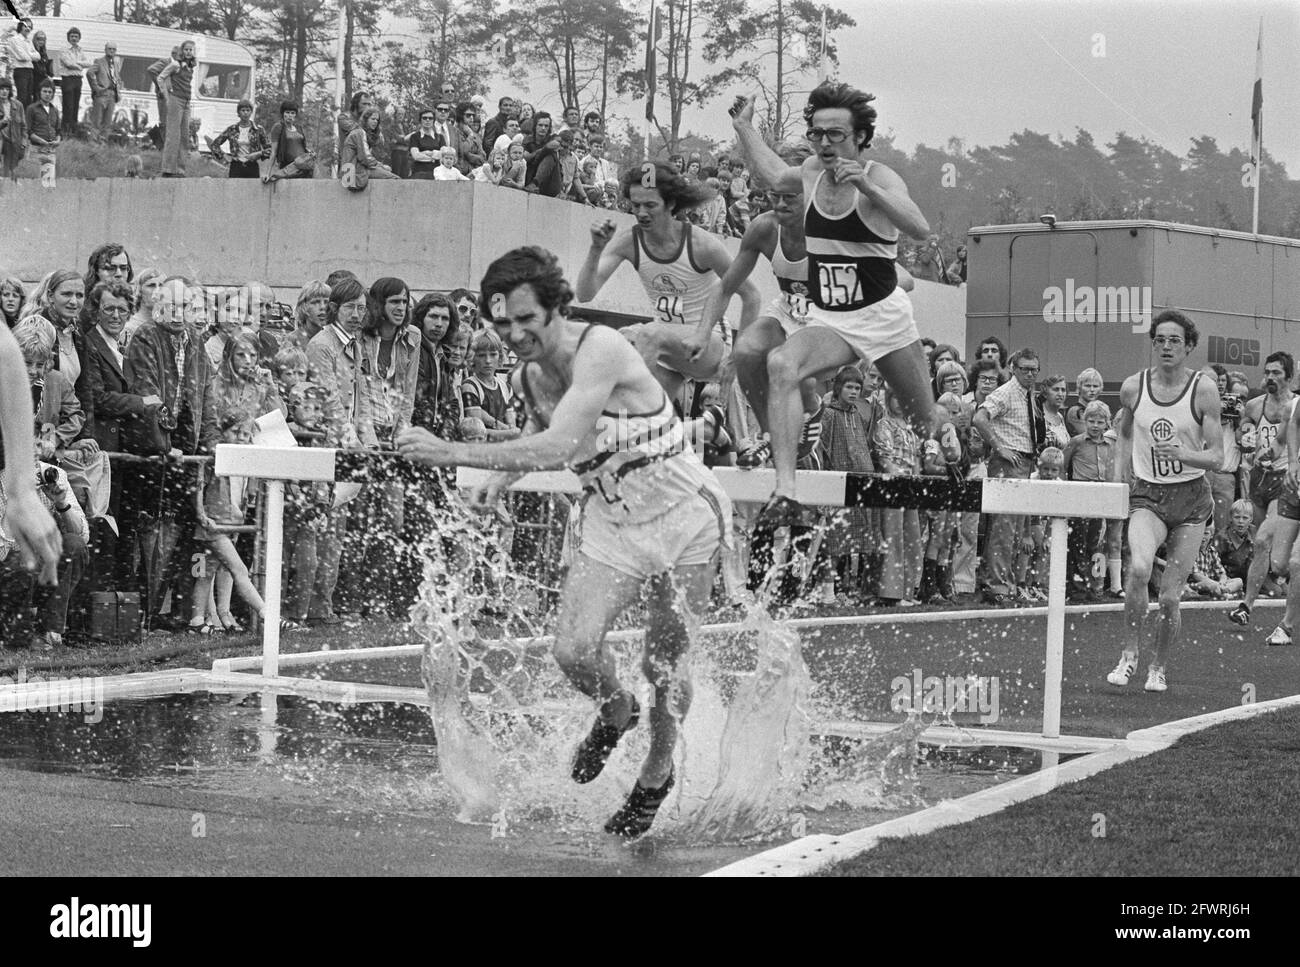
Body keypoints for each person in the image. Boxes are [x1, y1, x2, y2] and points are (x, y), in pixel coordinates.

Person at [397, 246, 732, 838]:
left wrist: (453, 453)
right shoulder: (528, 375)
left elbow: (557, 445)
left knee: (664, 662)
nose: (515, 334)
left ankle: (656, 772)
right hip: (612, 521)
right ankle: (615, 709)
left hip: (684, 518)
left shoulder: (598, 347)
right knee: (573, 650)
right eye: (503, 324)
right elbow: (536, 427)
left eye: (527, 319)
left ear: (556, 307)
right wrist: (499, 480)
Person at [728, 85, 946, 526]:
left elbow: (920, 228)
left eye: (835, 135)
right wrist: (744, 127)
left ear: (860, 137)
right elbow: (772, 174)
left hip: (884, 318)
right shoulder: (808, 172)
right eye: (816, 134)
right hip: (832, 319)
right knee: (782, 364)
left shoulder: (880, 176)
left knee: (925, 423)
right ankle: (786, 489)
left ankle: (943, 435)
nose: (824, 143)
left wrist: (865, 185)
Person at [576, 161, 760, 411]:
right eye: (635, 205)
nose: (641, 213)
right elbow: (585, 294)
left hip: (709, 343)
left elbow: (751, 296)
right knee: (644, 419)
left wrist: (739, 358)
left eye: (650, 205)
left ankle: (611, 409)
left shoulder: (700, 244)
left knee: (647, 334)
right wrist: (595, 249)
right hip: (666, 351)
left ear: (671, 204)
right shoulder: (630, 241)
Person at [1107, 310, 1223, 693]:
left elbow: (1218, 457)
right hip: (1148, 494)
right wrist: (1117, 479)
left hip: (1191, 500)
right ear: (1152, 344)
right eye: (1160, 340)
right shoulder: (1133, 388)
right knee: (1139, 569)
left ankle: (1158, 667)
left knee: (1171, 597)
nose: (1167, 346)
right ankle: (1128, 655)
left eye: (1175, 340)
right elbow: (1124, 433)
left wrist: (1183, 454)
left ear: (1188, 346)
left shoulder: (1203, 390)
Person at [1227, 352, 1298, 629]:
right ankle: (1247, 606)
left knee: (1264, 540)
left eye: (1277, 373)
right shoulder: (1255, 406)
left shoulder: (1295, 407)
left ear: (1288, 377)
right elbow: (1243, 437)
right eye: (1267, 372)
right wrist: (1245, 439)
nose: (1270, 377)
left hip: (1286, 482)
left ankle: (1255, 601)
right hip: (1259, 478)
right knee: (1261, 547)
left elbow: (1283, 442)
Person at [157, 40, 197, 176]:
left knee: (185, 136)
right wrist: (167, 97)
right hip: (176, 101)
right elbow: (160, 78)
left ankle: (181, 169)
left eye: (191, 50)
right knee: (173, 135)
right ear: (182, 51)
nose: (188, 52)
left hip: (186, 102)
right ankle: (167, 169)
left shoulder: (191, 66)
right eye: (186, 49)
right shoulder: (175, 64)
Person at [208, 100, 270, 179]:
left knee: (252, 190)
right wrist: (224, 156)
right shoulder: (232, 129)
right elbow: (214, 145)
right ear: (238, 113)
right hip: (236, 166)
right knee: (234, 190)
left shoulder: (258, 129)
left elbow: (269, 149)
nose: (245, 113)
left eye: (248, 110)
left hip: (252, 166)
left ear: (251, 112)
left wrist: (259, 153)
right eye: (243, 110)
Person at [55, 27, 93, 135]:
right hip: (67, 79)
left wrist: (77, 64)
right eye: (72, 36)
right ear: (68, 37)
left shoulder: (80, 50)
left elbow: (88, 63)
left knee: (76, 105)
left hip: (77, 80)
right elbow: (68, 63)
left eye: (76, 36)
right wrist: (80, 65)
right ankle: (65, 130)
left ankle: (73, 130)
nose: (74, 38)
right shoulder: (64, 49)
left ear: (79, 38)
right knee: (68, 105)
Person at [265, 101, 315, 182]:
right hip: (288, 169)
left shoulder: (299, 128)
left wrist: (310, 153)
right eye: (287, 112)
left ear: (295, 115)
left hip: (303, 167)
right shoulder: (278, 127)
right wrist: (267, 173)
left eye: (292, 113)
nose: (290, 115)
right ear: (283, 114)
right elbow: (273, 152)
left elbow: (303, 147)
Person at [25, 79, 60, 188]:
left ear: (53, 94)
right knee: (35, 184)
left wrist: (58, 141)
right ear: (39, 92)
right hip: (36, 149)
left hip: (51, 151)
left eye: (50, 92)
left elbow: (59, 131)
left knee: (49, 185)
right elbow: (28, 131)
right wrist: (41, 141)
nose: (47, 94)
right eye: (45, 91)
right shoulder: (31, 109)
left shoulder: (55, 110)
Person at [86, 42, 122, 137]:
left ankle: (103, 143)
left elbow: (117, 78)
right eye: (109, 49)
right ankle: (93, 144)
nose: (111, 51)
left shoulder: (116, 63)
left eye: (114, 49)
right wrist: (96, 87)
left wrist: (118, 91)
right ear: (105, 49)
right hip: (102, 93)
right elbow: (89, 73)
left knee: (107, 122)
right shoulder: (99, 61)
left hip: (112, 94)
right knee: (97, 121)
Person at [0, 76, 27, 181]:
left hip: (13, 141)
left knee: (11, 173)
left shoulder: (18, 105)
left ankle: (10, 189)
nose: (4, 92)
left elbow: (24, 127)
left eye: (7, 89)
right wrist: (2, 122)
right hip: (1, 141)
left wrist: (24, 142)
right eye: (1, 89)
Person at [5, 19, 37, 106]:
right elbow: (22, 57)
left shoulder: (29, 41)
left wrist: (28, 54)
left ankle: (26, 118)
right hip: (20, 70)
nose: (28, 28)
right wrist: (31, 55)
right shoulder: (14, 39)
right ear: (20, 27)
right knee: (21, 98)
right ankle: (19, 119)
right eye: (25, 26)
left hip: (30, 71)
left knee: (28, 97)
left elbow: (38, 56)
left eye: (30, 27)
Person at [408, 108, 442, 179]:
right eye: (424, 118)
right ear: (420, 120)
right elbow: (416, 156)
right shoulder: (414, 137)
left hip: (437, 174)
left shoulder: (440, 137)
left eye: (430, 118)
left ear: (433, 121)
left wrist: (426, 153)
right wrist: (435, 156)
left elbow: (444, 154)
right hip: (419, 174)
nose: (427, 120)